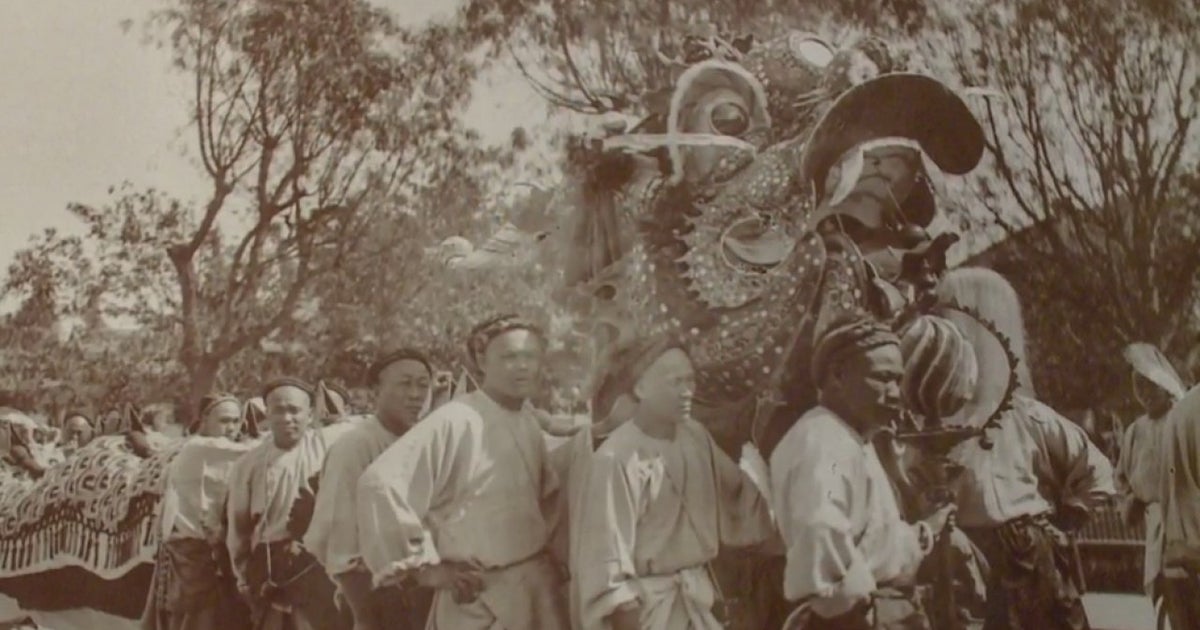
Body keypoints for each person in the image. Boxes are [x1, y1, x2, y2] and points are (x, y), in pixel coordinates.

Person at [356, 314, 570, 630]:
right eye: (509, 357)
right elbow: (380, 484)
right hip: (479, 601)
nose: (522, 366)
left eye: (531, 356)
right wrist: (427, 570)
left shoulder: (525, 419)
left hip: (533, 592)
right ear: (482, 360)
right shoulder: (456, 418)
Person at [940, 269, 1115, 630]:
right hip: (961, 557)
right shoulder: (936, 417)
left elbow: (1096, 471)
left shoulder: (1023, 415)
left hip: (1025, 563)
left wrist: (1064, 519)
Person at [573, 336, 774, 630]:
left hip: (698, 604)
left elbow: (740, 494)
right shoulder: (615, 459)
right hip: (649, 613)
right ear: (640, 388)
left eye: (690, 380)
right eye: (674, 382)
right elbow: (607, 567)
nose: (687, 392)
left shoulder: (695, 435)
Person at [770, 318, 954, 630]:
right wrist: (858, 610)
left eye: (898, 380)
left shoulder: (851, 439)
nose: (896, 393)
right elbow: (820, 532)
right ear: (838, 375)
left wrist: (925, 531)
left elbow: (872, 545)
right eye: (883, 378)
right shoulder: (824, 442)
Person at [304, 349, 436, 630]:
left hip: (430, 593)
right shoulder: (354, 447)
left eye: (423, 384)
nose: (415, 394)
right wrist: (366, 613)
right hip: (379, 596)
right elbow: (337, 545)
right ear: (376, 389)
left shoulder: (428, 442)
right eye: (405, 383)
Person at [225, 378, 351, 630]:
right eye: (278, 410)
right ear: (267, 414)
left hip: (317, 564)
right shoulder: (248, 465)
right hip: (269, 566)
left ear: (310, 414)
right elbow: (238, 528)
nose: (286, 418)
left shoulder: (327, 446)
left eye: (294, 410)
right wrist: (242, 576)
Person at [142, 394, 253, 630]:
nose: (231, 428)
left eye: (236, 421)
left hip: (204, 552)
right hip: (191, 552)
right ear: (204, 419)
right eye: (224, 421)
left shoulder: (201, 448)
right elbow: (255, 454)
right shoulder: (200, 448)